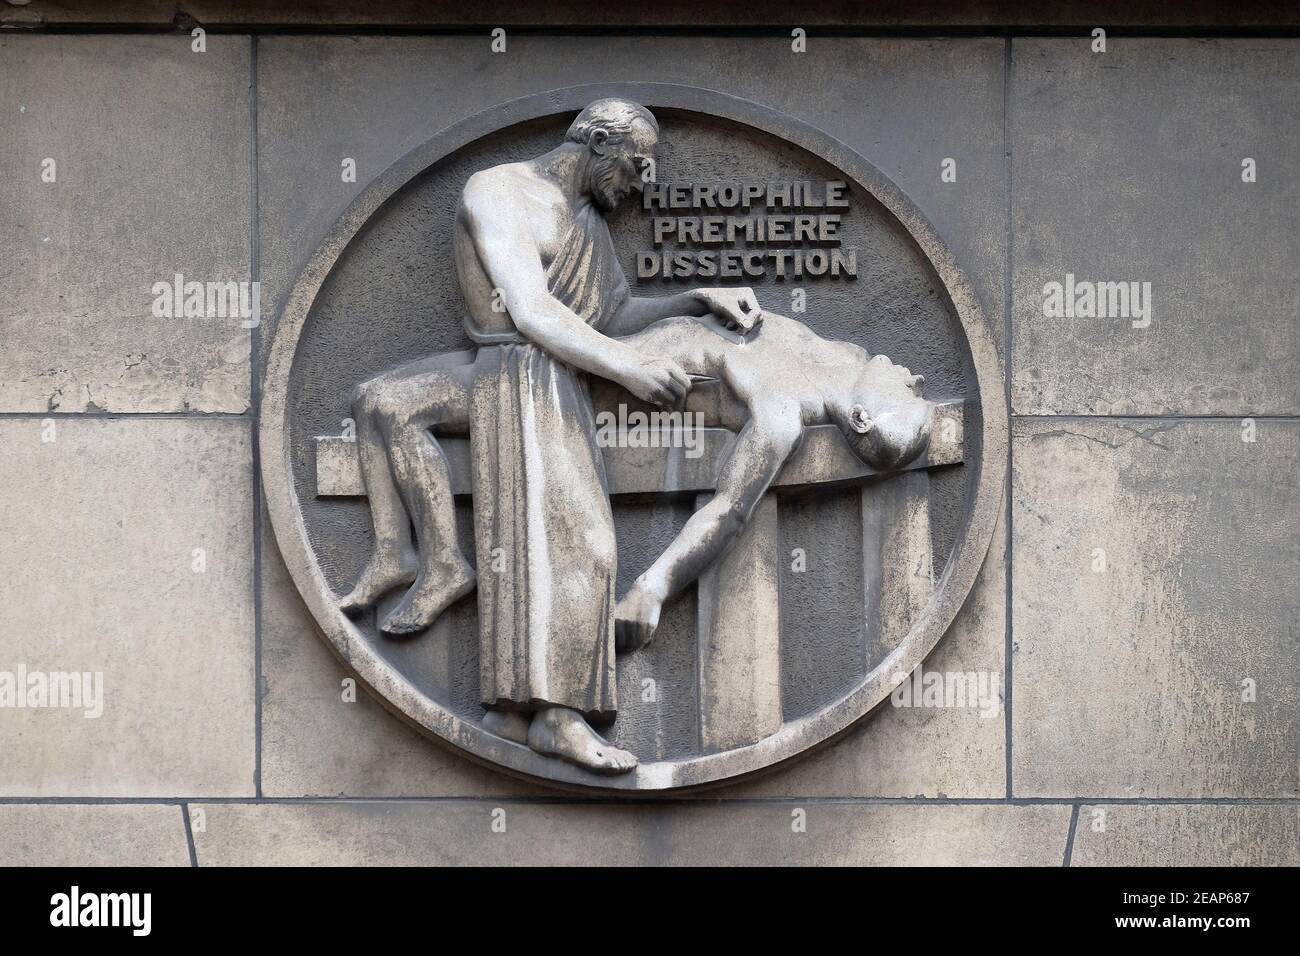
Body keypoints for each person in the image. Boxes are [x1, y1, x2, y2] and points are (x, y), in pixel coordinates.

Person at [339, 98, 761, 774]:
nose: (644, 179)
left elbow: (614, 312)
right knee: (578, 543)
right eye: (637, 162)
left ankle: (517, 709)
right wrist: (627, 367)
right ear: (596, 142)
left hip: (549, 376)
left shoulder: (588, 222)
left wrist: (696, 296)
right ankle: (558, 717)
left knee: (553, 537)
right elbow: (532, 310)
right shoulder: (501, 191)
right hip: (516, 373)